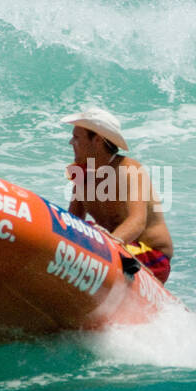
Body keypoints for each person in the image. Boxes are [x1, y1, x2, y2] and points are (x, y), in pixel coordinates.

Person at [63, 108, 174, 283]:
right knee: (83, 230)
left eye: (77, 137)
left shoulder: (128, 170)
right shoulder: (82, 174)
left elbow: (137, 222)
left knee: (92, 236)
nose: (71, 142)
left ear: (97, 140)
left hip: (150, 256)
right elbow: (74, 219)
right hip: (115, 249)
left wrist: (105, 247)